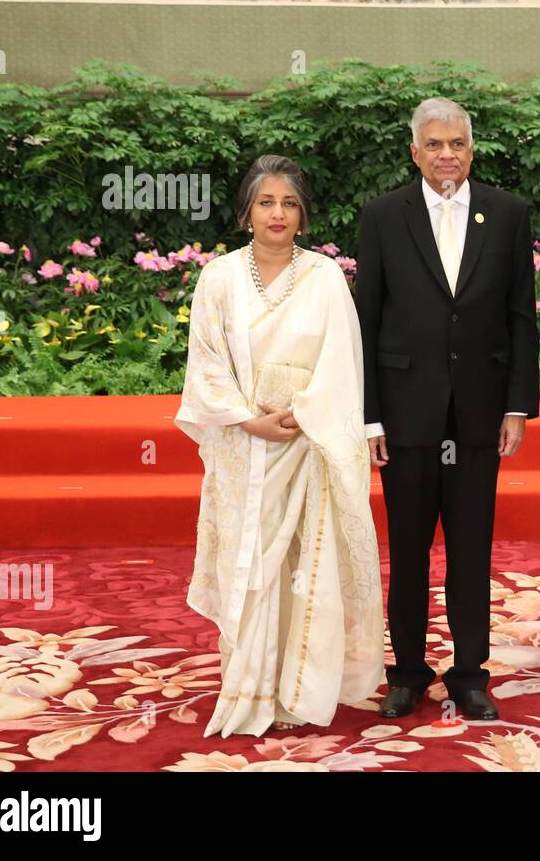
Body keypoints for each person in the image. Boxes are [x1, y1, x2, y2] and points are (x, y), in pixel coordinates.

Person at [176, 154, 385, 738]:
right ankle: (247, 690)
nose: (277, 213)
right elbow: (207, 362)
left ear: (305, 215)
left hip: (306, 441)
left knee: (301, 567)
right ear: (246, 211)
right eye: (266, 202)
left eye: (289, 203)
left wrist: (300, 414)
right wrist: (246, 420)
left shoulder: (323, 276)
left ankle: (297, 689)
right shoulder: (218, 277)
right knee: (250, 567)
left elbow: (345, 362)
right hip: (245, 447)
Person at [355, 97, 539, 721]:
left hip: (480, 414)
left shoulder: (508, 213)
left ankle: (470, 674)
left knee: (471, 551)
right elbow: (367, 320)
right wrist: (369, 416)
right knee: (407, 552)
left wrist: (517, 404)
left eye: (456, 144)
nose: (446, 155)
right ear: (414, 152)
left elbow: (520, 316)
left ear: (471, 148)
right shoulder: (382, 217)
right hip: (405, 417)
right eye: (433, 145)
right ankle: (406, 672)